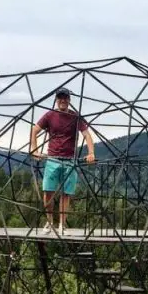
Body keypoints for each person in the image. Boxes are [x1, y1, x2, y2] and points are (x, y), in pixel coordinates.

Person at [30, 87, 95, 235]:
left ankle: (62, 225)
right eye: (60, 97)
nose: (63, 100)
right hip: (52, 159)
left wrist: (91, 152)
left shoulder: (75, 117)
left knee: (66, 193)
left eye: (65, 97)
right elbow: (34, 130)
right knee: (48, 191)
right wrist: (34, 150)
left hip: (69, 160)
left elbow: (86, 134)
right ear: (56, 99)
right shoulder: (49, 115)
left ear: (69, 100)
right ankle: (49, 222)